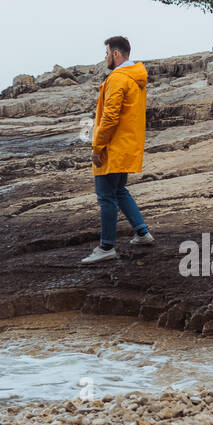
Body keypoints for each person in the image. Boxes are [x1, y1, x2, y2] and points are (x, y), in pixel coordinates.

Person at [81, 35, 154, 263]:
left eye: (106, 53)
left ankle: (106, 247)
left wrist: (97, 146)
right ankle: (142, 233)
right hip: (125, 146)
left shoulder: (118, 78)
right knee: (119, 191)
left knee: (106, 197)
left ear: (115, 54)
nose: (104, 58)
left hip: (112, 148)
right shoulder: (135, 76)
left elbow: (110, 117)